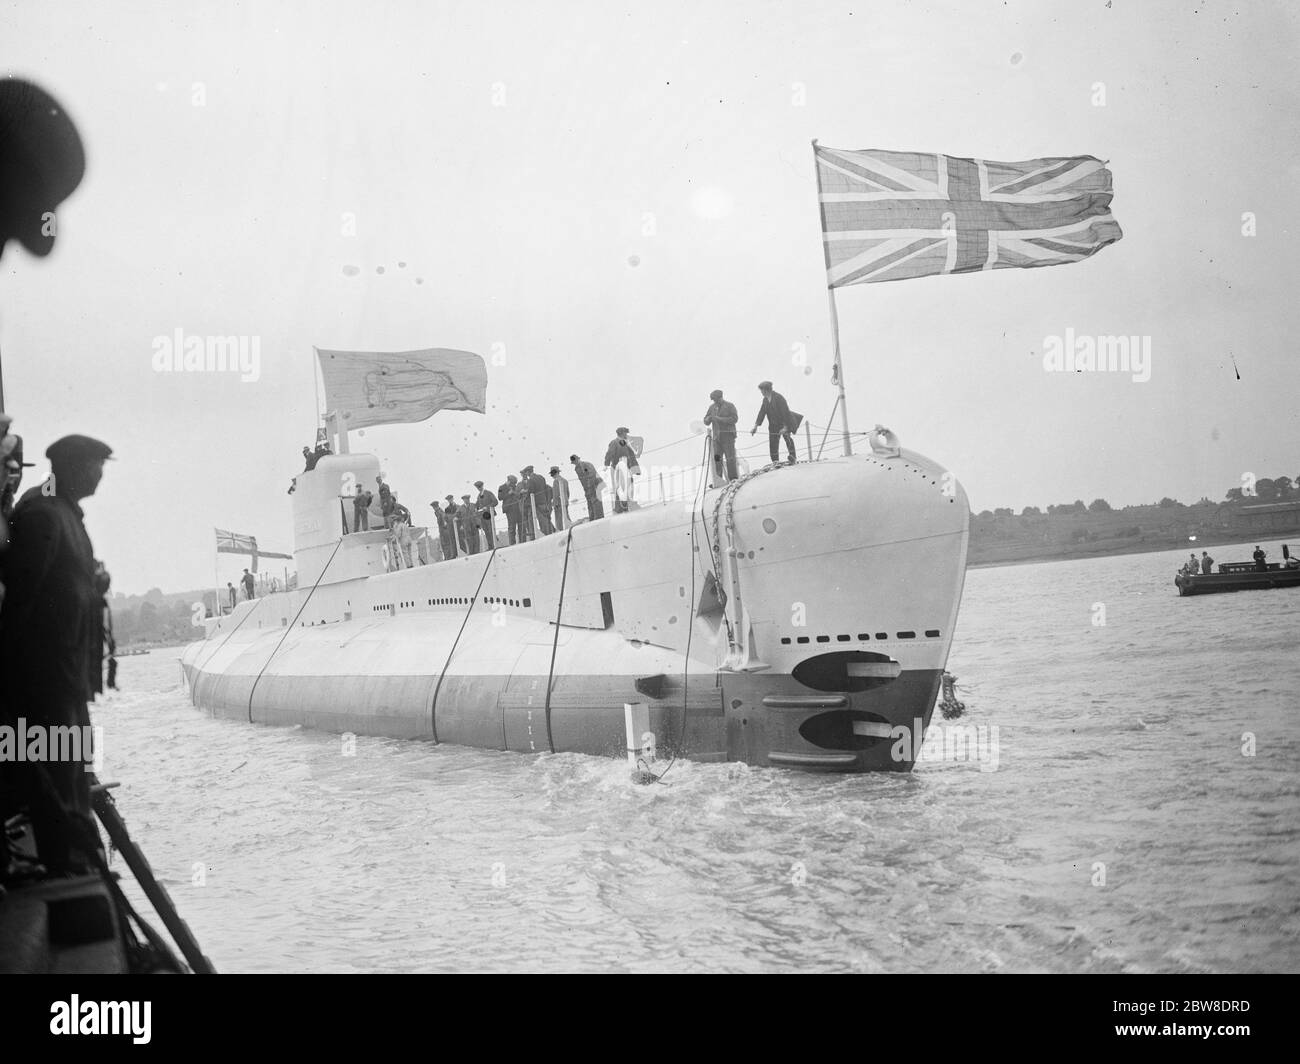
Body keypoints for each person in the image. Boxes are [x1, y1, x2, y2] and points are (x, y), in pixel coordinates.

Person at [0, 435, 111, 874]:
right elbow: (21, 600)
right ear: (75, 467)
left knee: (73, 765)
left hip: (66, 672)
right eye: (96, 465)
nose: (101, 475)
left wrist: (93, 582)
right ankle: (68, 867)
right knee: (60, 767)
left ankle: (80, 859)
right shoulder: (45, 514)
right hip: (45, 674)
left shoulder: (61, 510)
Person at [751, 381, 800, 465]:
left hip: (783, 423)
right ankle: (775, 461)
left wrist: (785, 427)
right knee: (773, 444)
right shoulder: (765, 400)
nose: (761, 392)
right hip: (773, 425)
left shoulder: (779, 398)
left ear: (766, 390)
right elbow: (762, 413)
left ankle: (793, 457)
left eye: (762, 390)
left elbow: (785, 413)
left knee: (788, 439)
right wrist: (755, 426)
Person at [703, 389, 739, 481]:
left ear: (721, 397)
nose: (715, 401)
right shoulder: (712, 407)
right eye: (713, 400)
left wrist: (720, 419)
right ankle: (718, 479)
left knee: (730, 458)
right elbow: (705, 420)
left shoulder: (730, 406)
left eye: (716, 399)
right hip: (717, 438)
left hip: (728, 437)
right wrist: (708, 419)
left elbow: (734, 419)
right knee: (717, 459)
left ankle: (733, 479)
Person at [603, 428, 641, 513]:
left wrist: (635, 468)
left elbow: (631, 455)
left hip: (626, 467)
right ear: (621, 433)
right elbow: (609, 454)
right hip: (618, 468)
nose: (626, 435)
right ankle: (620, 508)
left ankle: (629, 504)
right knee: (620, 487)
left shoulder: (625, 443)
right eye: (625, 433)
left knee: (629, 484)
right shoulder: (614, 442)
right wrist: (606, 464)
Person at [570, 454, 604, 521]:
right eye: (574, 462)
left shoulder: (585, 465)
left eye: (575, 461)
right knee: (590, 503)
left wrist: (589, 488)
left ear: (578, 459)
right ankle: (593, 518)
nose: (575, 463)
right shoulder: (577, 468)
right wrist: (586, 490)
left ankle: (598, 518)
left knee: (596, 502)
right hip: (588, 488)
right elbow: (583, 481)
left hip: (595, 486)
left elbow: (590, 476)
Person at [523, 466, 555, 535]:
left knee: (541, 520)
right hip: (544, 501)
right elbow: (544, 487)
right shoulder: (541, 477)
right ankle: (552, 531)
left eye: (526, 473)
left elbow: (531, 491)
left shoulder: (530, 480)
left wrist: (525, 495)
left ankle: (546, 534)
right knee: (546, 518)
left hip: (536, 503)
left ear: (528, 472)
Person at [500, 475, 524, 544]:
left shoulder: (514, 487)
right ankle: (512, 543)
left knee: (521, 526)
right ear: (509, 481)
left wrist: (516, 493)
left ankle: (522, 541)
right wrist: (508, 494)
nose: (514, 485)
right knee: (511, 527)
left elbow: (518, 496)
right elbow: (500, 497)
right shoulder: (501, 487)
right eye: (513, 483)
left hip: (517, 508)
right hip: (509, 510)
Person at [474, 481, 498, 549]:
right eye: (478, 488)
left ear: (482, 486)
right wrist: (476, 508)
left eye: (480, 487)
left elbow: (495, 502)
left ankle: (494, 545)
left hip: (489, 515)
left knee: (490, 530)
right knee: (486, 530)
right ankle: (490, 546)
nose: (479, 488)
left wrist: (487, 507)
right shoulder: (479, 496)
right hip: (482, 516)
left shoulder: (488, 493)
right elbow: (477, 504)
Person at [550, 466, 571, 530]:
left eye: (552, 474)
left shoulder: (556, 481)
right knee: (566, 516)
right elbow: (568, 493)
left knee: (559, 519)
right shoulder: (565, 480)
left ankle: (560, 531)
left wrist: (554, 503)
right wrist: (566, 500)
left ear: (554, 473)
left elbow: (556, 494)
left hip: (558, 503)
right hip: (565, 501)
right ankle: (570, 527)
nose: (551, 476)